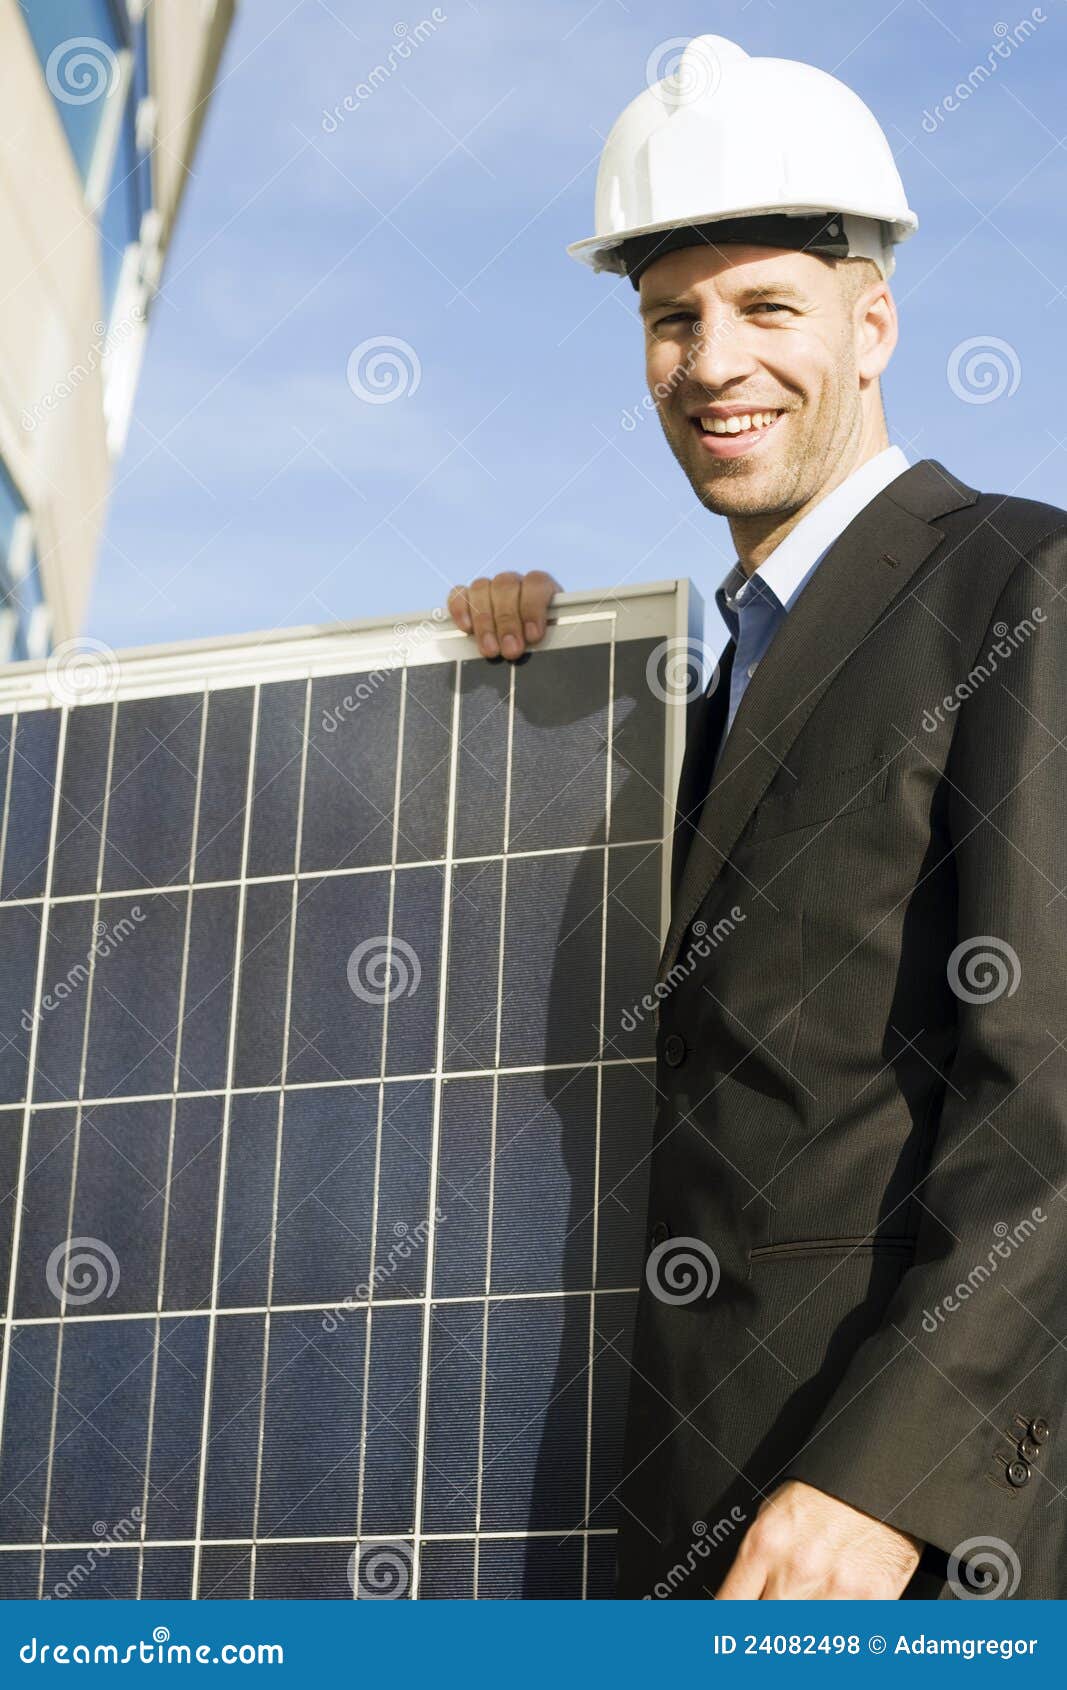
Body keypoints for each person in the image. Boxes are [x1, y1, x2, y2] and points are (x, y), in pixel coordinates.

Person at [446, 35, 1067, 1601]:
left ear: (875, 327)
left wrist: (887, 1474)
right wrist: (482, 686)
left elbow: (1047, 1090)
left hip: (892, 1545)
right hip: (680, 1504)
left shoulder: (1018, 585)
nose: (714, 361)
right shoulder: (708, 675)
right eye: (672, 319)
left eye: (767, 307)